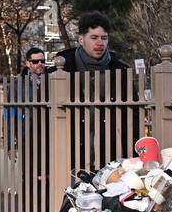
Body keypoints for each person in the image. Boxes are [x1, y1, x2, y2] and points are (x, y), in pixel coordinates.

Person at [53, 12, 132, 166]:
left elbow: (132, 118)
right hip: (70, 154)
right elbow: (42, 122)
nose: (100, 43)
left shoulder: (121, 71)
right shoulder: (62, 71)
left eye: (104, 38)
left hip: (111, 156)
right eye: (94, 38)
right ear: (81, 39)